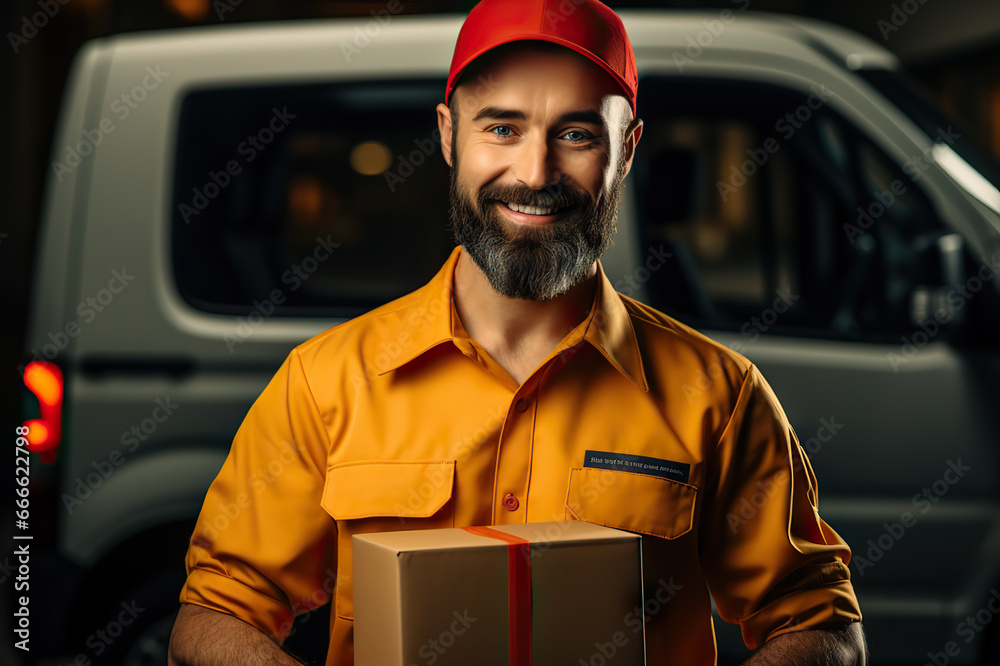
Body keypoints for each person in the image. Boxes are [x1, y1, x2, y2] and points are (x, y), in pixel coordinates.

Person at [168, 0, 866, 664]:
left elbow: (824, 629)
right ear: (447, 135)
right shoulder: (323, 384)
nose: (535, 174)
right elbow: (211, 620)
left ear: (627, 150)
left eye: (577, 134)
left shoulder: (721, 397)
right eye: (501, 128)